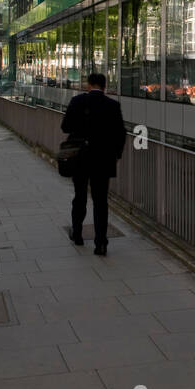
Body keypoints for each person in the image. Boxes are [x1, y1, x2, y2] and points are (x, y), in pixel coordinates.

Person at [61, 72, 126, 256]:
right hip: (103, 159)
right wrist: (116, 154)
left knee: (79, 196)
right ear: (104, 87)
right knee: (100, 201)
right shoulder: (112, 105)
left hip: (79, 157)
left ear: (88, 85)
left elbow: (65, 127)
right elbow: (120, 134)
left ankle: (78, 234)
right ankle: (101, 243)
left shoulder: (77, 102)